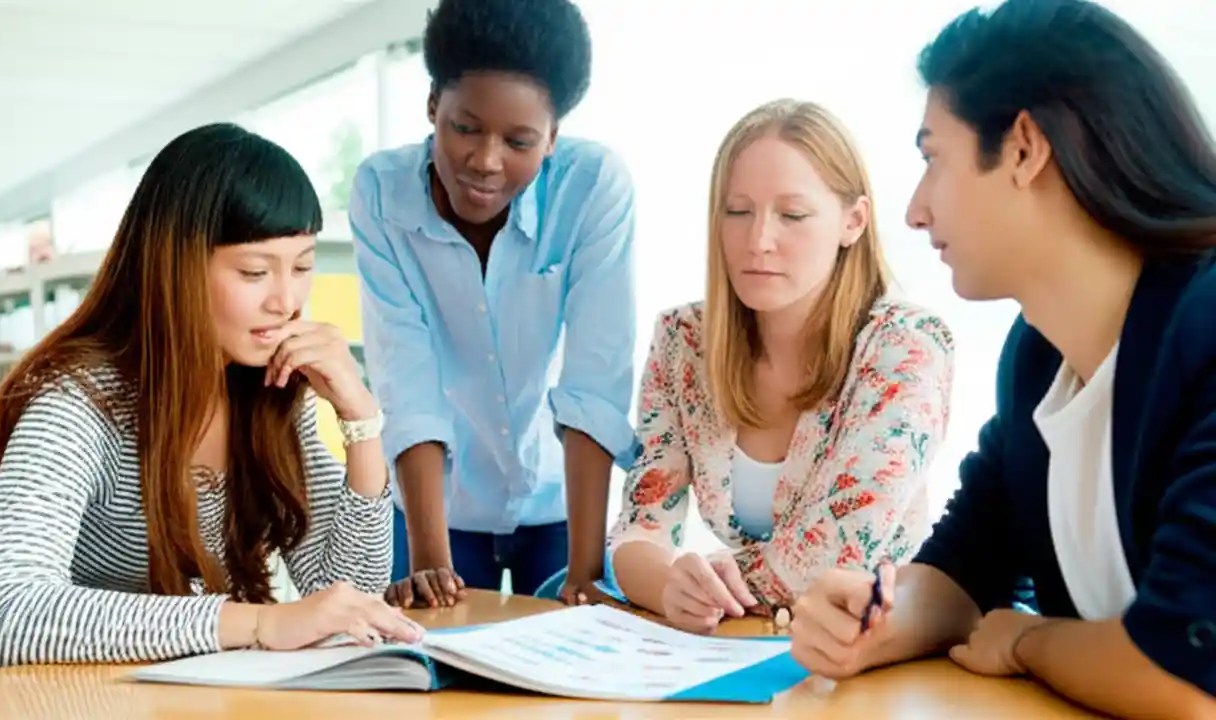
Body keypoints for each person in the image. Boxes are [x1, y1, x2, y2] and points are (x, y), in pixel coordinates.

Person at [787, 1, 1216, 717]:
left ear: (1024, 147)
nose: (916, 210)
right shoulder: (1038, 354)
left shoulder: (1204, 328)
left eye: (933, 159)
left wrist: (1026, 643)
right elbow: (965, 563)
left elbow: (1189, 671)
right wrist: (872, 620)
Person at [0, 123, 422, 678]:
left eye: (303, 266)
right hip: (13, 702)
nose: (286, 300)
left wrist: (360, 419)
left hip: (140, 695)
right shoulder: (76, 399)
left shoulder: (269, 390)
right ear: (178, 266)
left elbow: (346, 601)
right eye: (255, 271)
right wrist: (260, 623)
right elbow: (9, 615)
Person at [608, 99, 955, 634]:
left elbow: (833, 554)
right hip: (744, 643)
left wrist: (706, 582)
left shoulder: (908, 347)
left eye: (792, 215)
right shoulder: (683, 340)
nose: (758, 241)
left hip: (874, 646)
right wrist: (670, 585)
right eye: (737, 211)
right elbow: (639, 529)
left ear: (853, 221)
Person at [351, 0, 636, 608]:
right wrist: (430, 562)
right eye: (465, 127)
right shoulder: (381, 194)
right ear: (433, 105)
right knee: (433, 667)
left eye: (519, 140)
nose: (486, 160)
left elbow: (596, 377)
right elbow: (406, 374)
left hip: (562, 499)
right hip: (436, 507)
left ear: (553, 137)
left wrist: (585, 572)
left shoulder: (593, 187)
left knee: (571, 672)